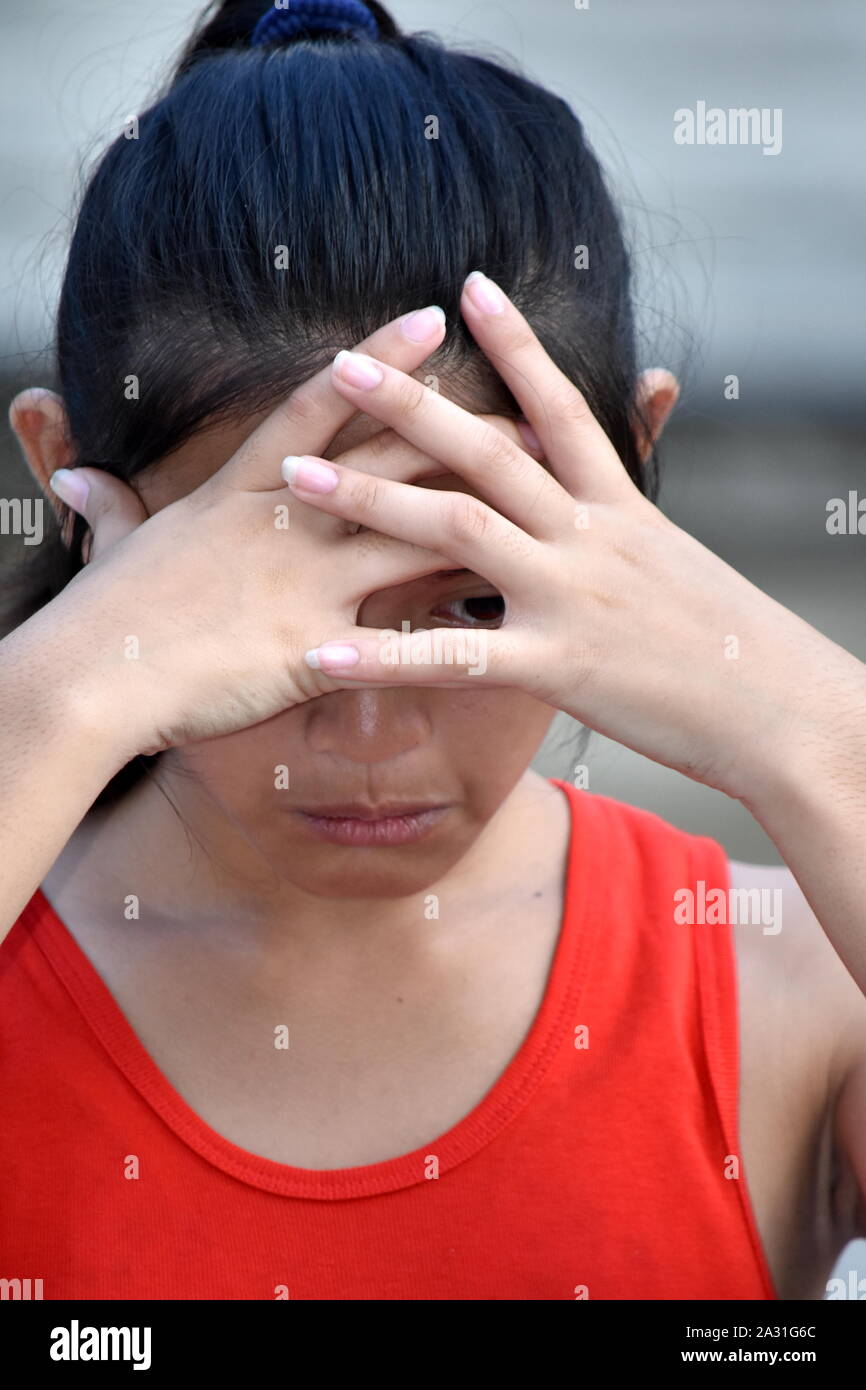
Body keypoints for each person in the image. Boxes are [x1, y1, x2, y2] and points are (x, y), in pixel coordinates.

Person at [1, 0, 864, 1302]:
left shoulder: (792, 987)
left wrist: (810, 729)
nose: (368, 736)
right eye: (267, 611)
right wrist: (55, 702)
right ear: (68, 481)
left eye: (472, 603)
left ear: (632, 484)